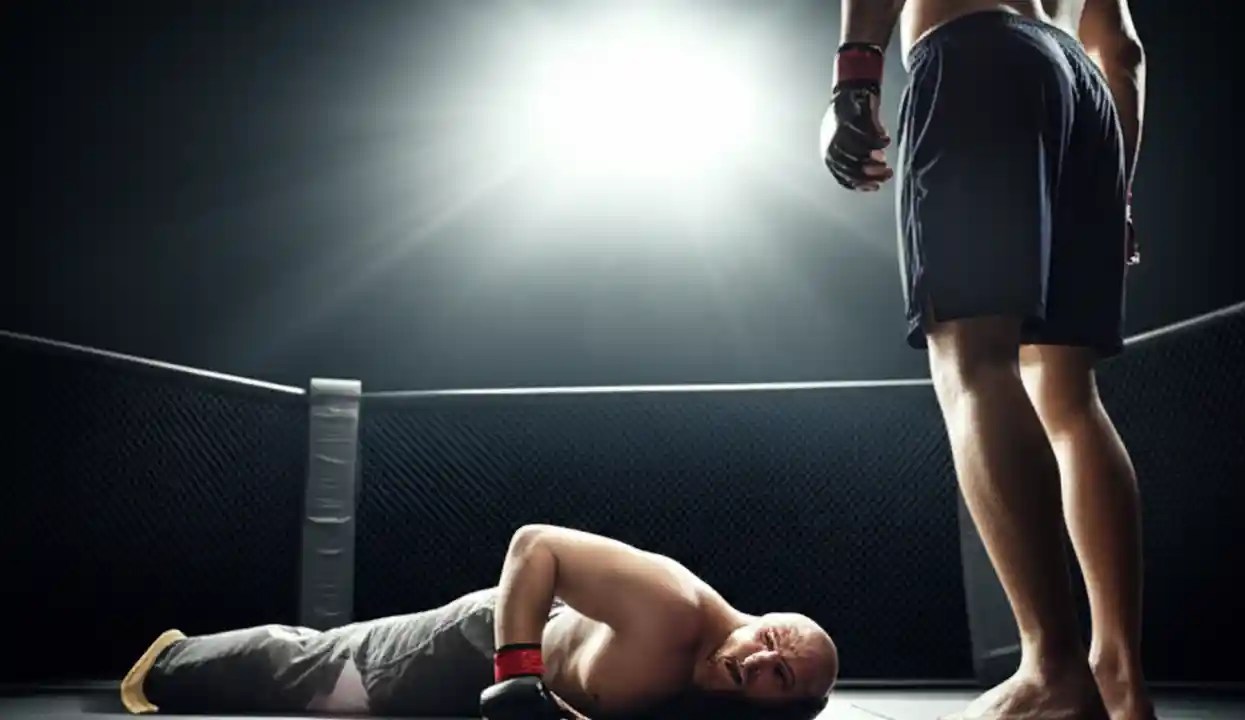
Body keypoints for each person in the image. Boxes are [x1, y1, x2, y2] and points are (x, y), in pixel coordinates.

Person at [820, 1, 1151, 719]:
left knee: (974, 365)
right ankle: (1118, 678)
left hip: (975, 49)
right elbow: (1121, 53)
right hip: (1082, 88)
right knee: (1068, 397)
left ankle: (1051, 673)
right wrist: (1113, 187)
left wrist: (854, 81)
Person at [119, 523, 837, 719]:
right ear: (759, 617)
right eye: (768, 640)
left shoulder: (724, 701)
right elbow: (536, 543)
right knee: (318, 674)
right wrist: (519, 676)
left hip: (517, 689)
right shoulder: (673, 605)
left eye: (779, 675)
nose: (757, 662)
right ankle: (170, 662)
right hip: (479, 646)